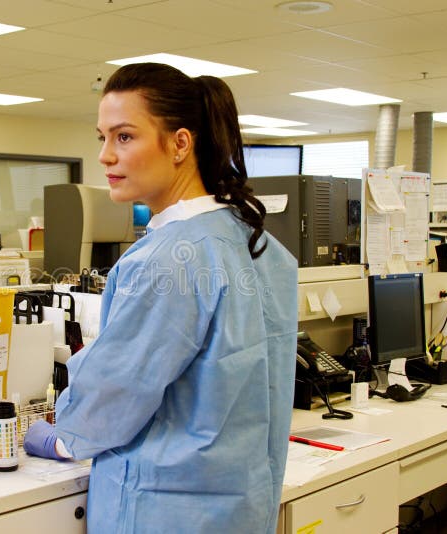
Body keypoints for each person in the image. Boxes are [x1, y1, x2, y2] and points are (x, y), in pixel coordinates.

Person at [24, 62, 298, 533]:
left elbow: (113, 396)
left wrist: (58, 436)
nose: (106, 156)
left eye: (124, 137)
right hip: (242, 504)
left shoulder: (167, 259)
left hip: (162, 510)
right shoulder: (262, 247)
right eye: (102, 138)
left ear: (179, 144)